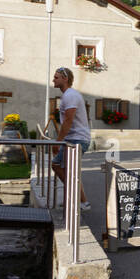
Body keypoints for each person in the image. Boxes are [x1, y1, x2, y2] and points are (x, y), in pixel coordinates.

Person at [51, 67, 90, 211]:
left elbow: (68, 120)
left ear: (65, 79)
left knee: (57, 166)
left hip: (76, 139)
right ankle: (81, 201)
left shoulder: (70, 95)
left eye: (56, 77)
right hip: (76, 138)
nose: (53, 80)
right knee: (68, 170)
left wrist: (58, 142)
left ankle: (80, 201)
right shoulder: (68, 95)